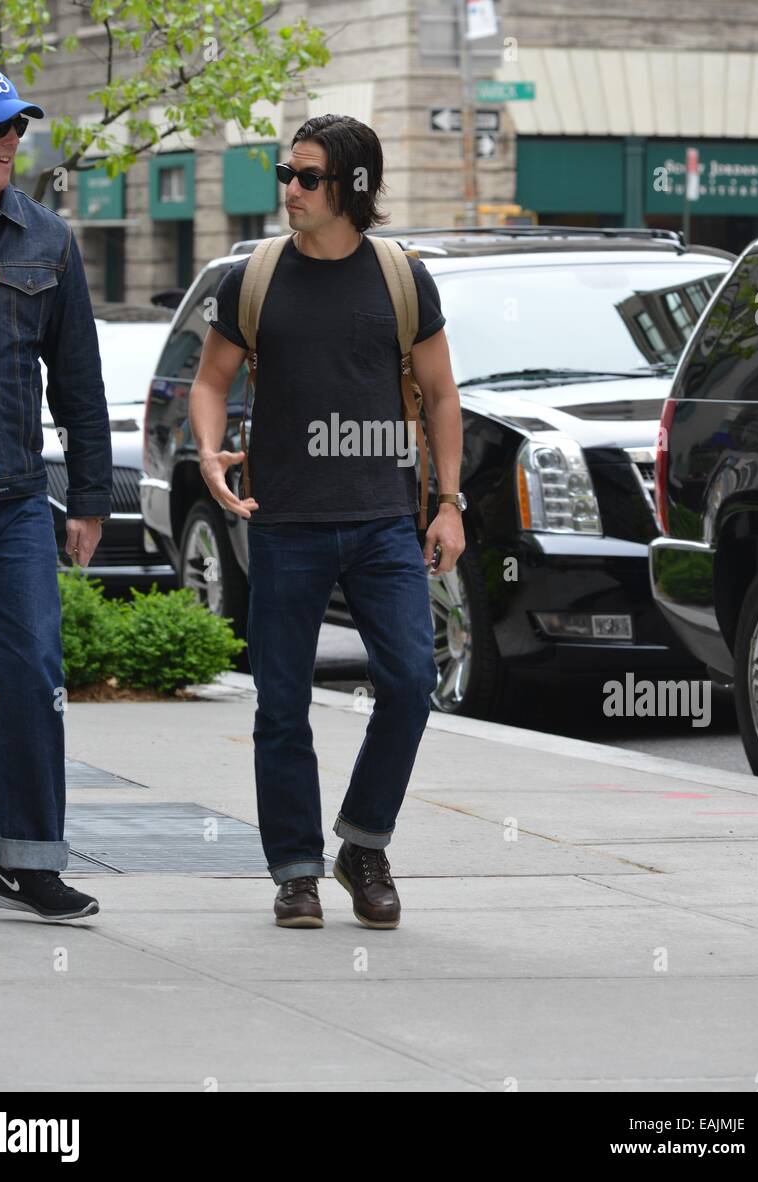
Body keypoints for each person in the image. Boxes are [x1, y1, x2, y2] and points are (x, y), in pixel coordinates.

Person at [190, 113, 466, 929]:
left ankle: (363, 845)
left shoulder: (401, 278)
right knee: (281, 703)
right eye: (287, 174)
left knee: (412, 685)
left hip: (384, 518)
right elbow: (209, 382)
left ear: (351, 187)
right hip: (284, 522)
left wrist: (449, 503)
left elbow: (444, 395)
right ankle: (296, 871)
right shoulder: (255, 277)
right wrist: (209, 452)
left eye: (307, 178)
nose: (291, 191)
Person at [0, 61, 113, 922]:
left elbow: (78, 377)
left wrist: (88, 496)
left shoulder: (48, 238)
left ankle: (29, 864)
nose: (13, 141)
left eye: (19, 127)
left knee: (37, 677)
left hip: (11, 507)